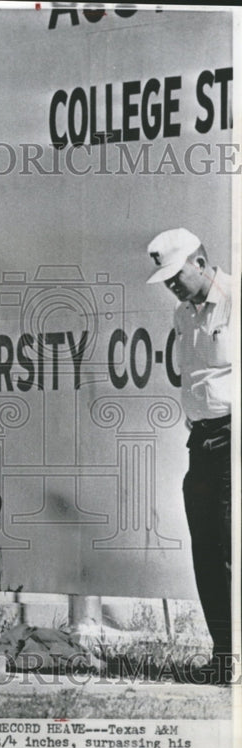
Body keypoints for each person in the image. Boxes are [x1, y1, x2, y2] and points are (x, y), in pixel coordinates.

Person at [146, 228, 232, 683]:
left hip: (233, 436)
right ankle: (224, 653)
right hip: (200, 441)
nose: (172, 285)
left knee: (229, 548)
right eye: (166, 279)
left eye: (177, 275)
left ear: (201, 261)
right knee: (206, 549)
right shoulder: (183, 314)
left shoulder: (235, 298)